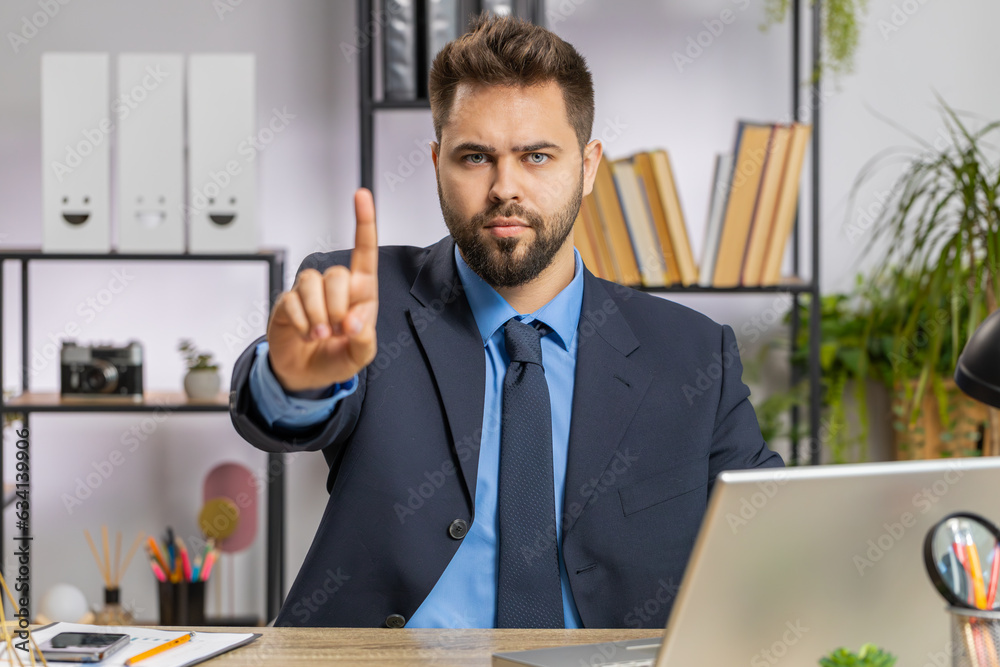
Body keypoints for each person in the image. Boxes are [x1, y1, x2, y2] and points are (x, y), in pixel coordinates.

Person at [230, 13, 782, 630]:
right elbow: (274, 416)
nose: (504, 187)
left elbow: (771, 534)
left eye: (537, 156)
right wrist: (294, 382)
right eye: (475, 157)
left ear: (589, 164)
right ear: (438, 162)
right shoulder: (365, 304)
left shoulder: (692, 353)